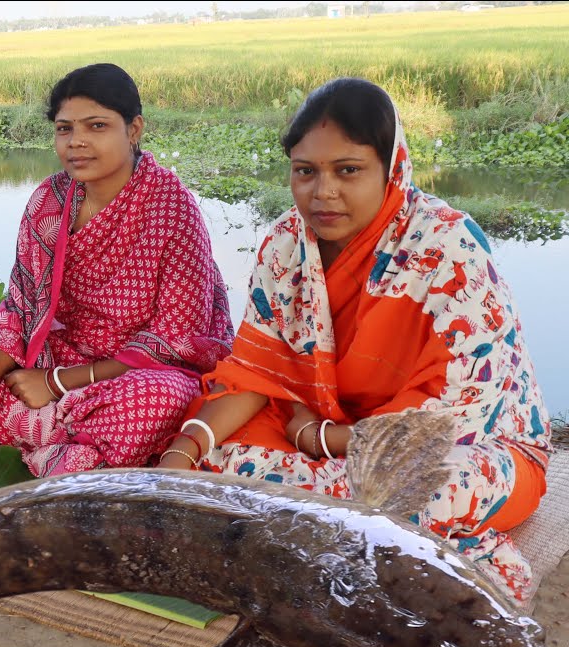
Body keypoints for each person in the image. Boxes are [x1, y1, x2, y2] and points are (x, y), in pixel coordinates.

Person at [157, 77, 552, 603]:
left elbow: (452, 421)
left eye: (348, 170)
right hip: (325, 423)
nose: (323, 192)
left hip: (462, 446)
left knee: (431, 492)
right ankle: (330, 520)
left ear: (391, 168)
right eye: (305, 171)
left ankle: (319, 519)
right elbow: (256, 372)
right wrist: (183, 454)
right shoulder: (285, 244)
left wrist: (321, 440)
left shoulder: (448, 249)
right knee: (215, 457)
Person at [0, 63, 234, 476]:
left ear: (134, 129)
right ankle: (67, 451)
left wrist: (57, 382)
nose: (77, 142)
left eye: (97, 126)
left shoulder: (172, 208)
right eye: (64, 129)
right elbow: (19, 310)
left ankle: (35, 439)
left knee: (160, 402)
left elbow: (176, 340)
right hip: (55, 356)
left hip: (133, 374)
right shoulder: (49, 201)